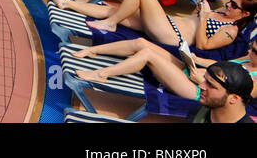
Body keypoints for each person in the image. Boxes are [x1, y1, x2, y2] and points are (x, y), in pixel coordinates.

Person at [70, 32, 257, 119]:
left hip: (195, 87)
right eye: (252, 48)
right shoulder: (247, 59)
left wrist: (201, 80)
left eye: (255, 52)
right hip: (197, 74)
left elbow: (239, 93)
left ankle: (101, 75)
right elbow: (223, 68)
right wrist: (197, 60)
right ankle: (93, 50)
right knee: (143, 43)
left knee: (148, 55)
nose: (251, 52)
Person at [46, 0, 257, 59]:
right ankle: (66, 3)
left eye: (234, 6)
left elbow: (203, 46)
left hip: (171, 36)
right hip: (168, 23)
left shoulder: (230, 30)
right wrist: (199, 9)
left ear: (245, 14)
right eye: (230, 2)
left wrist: (203, 17)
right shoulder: (221, 11)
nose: (228, 6)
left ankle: (110, 24)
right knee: (116, 10)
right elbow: (195, 19)